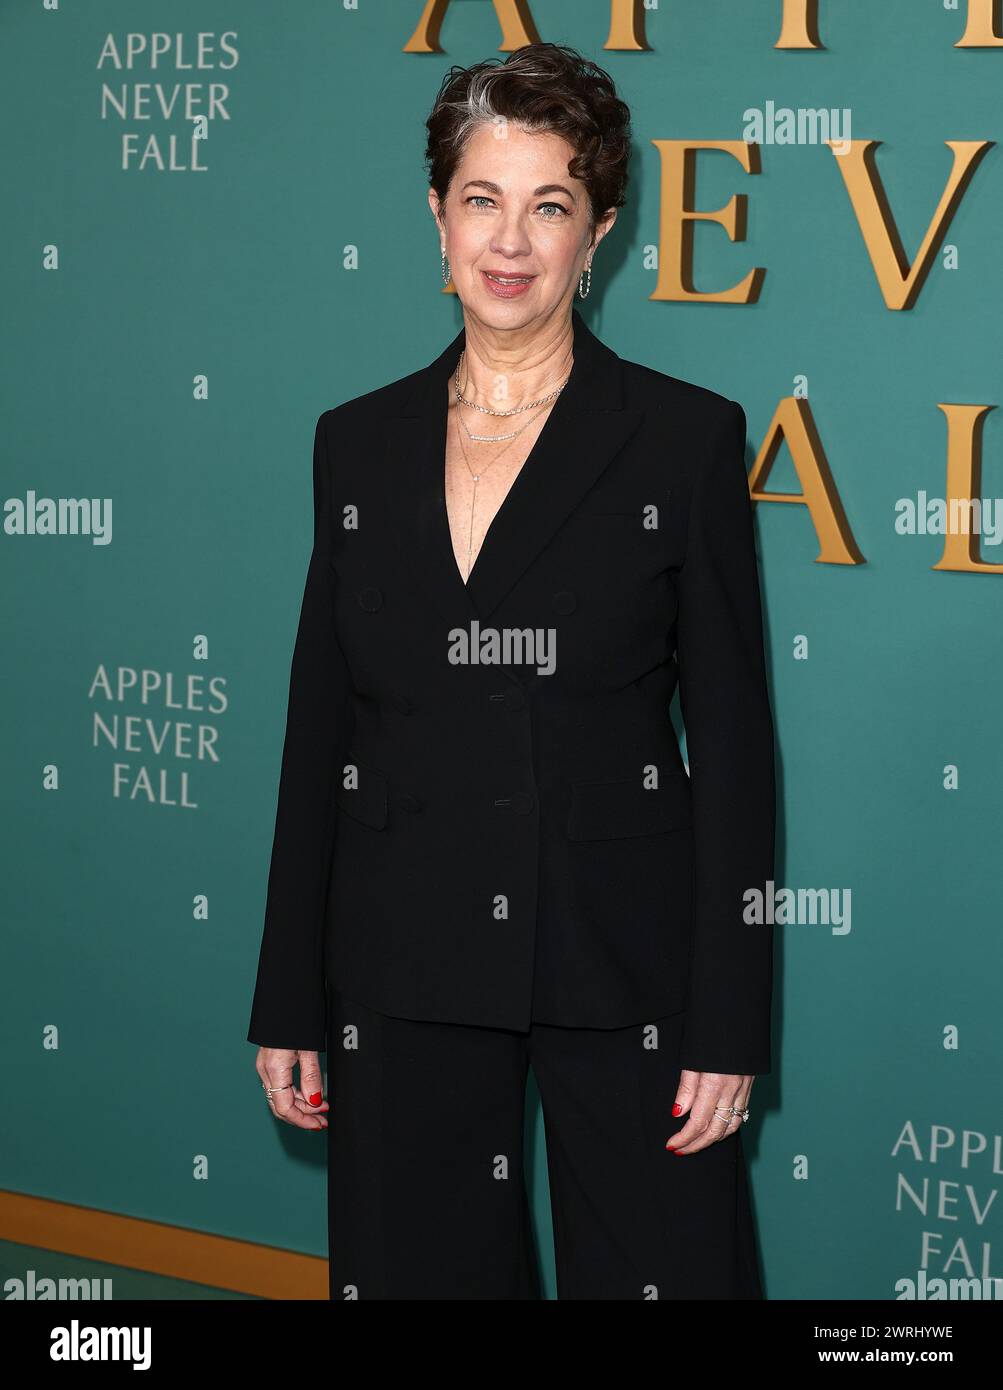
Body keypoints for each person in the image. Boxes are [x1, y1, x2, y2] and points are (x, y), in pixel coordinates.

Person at [248, 42, 776, 1301]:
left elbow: (739, 751)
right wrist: (287, 992)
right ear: (436, 216)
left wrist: (726, 1021)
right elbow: (319, 727)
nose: (511, 240)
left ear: (599, 232)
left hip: (622, 964)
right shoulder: (356, 444)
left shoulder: (681, 440)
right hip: (401, 958)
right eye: (483, 199)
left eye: (551, 206)